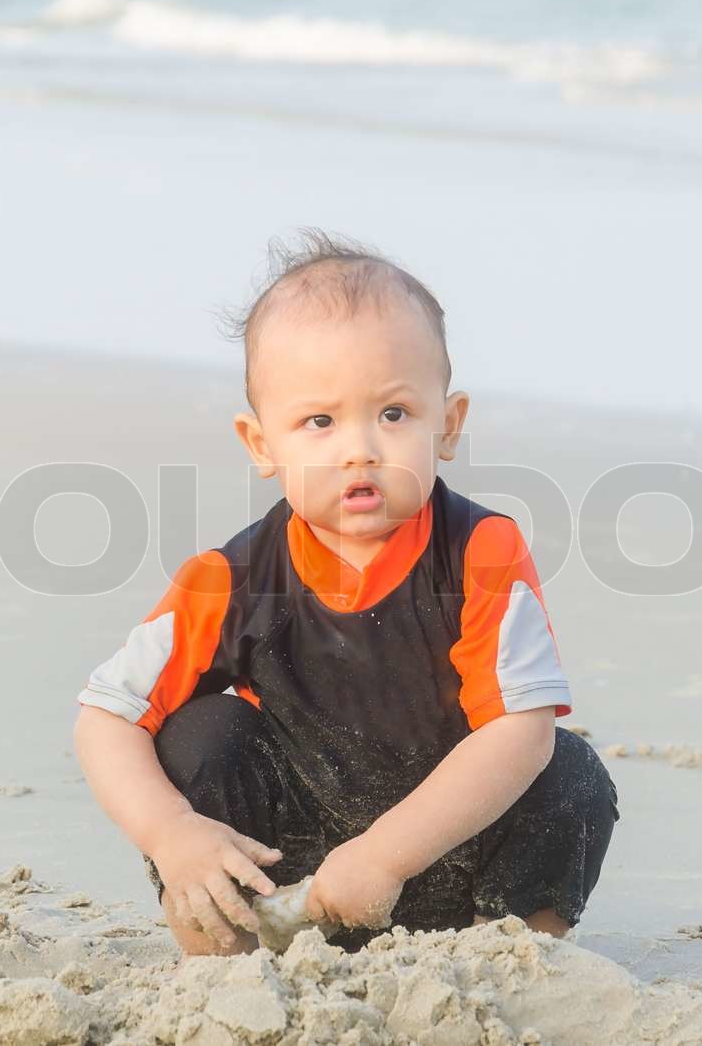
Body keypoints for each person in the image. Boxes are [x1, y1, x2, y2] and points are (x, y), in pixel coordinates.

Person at [72, 229, 618, 955]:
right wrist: (171, 834)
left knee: (568, 773)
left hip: (448, 857)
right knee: (200, 737)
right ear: (263, 444)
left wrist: (385, 857)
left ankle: (513, 959)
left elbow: (518, 734)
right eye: (319, 421)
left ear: (447, 425)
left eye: (394, 414)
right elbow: (105, 718)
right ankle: (227, 965)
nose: (359, 447)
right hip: (291, 874)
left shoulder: (480, 553)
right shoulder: (233, 580)